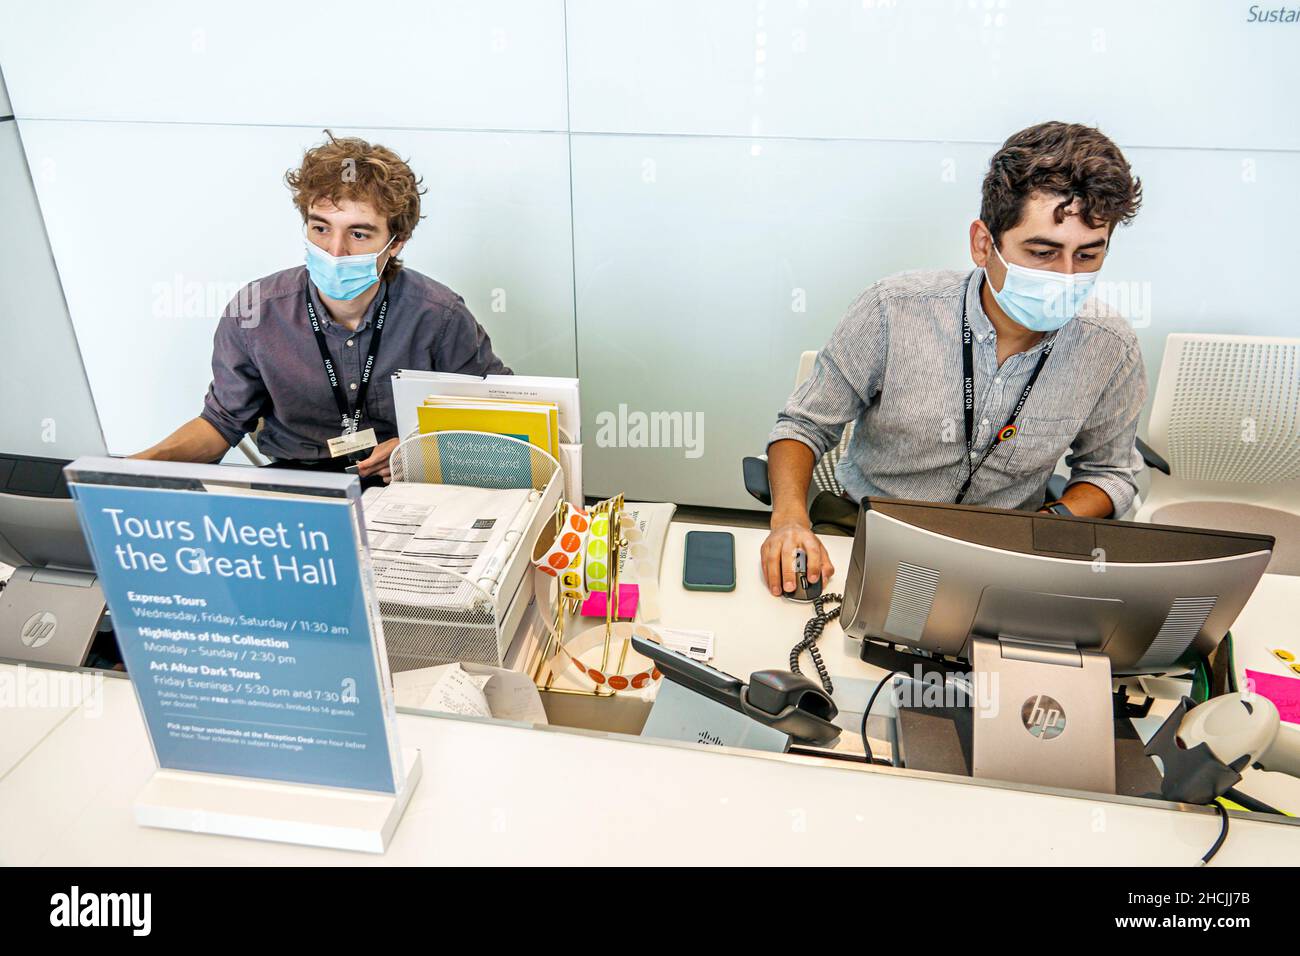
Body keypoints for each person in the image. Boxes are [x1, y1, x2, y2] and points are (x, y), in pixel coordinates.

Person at [761, 121, 1146, 597]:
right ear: (984, 244)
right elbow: (801, 427)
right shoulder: (893, 309)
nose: (1066, 276)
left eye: (1088, 256)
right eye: (1043, 252)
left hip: (1003, 558)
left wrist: (1048, 526)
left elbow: (1110, 474)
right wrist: (789, 521)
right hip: (864, 532)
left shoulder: (1109, 347)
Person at [134, 131, 509, 485]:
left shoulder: (438, 316)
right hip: (297, 482)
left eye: (358, 234)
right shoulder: (255, 312)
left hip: (404, 482)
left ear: (396, 243)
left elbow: (501, 418)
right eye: (321, 228)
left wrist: (427, 448)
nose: (335, 250)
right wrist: (139, 466)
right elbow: (222, 422)